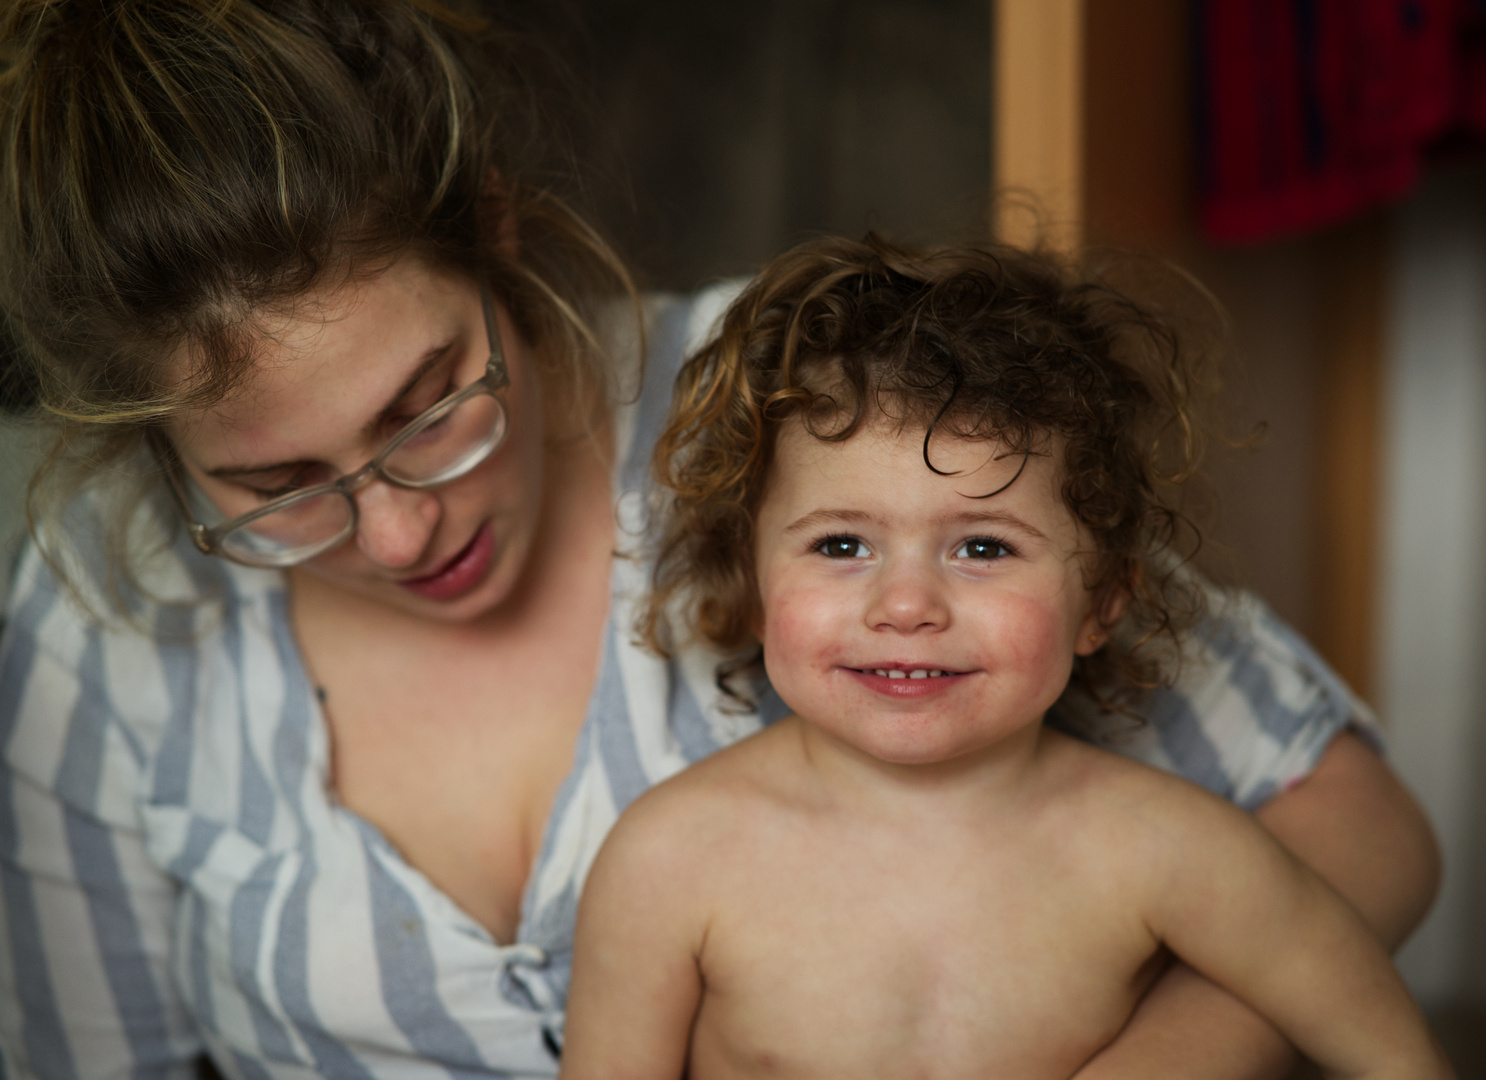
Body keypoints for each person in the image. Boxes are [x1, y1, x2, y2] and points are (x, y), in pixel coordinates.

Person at [0, 2, 1439, 1079]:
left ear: (495, 235)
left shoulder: (817, 411)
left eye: (433, 401)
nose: (394, 524)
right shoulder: (95, 607)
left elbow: (1352, 827)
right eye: (276, 482)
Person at [559, 236, 1453, 1080]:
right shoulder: (670, 862)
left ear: (1102, 602)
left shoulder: (1167, 848)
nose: (905, 605)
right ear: (751, 587)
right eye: (840, 546)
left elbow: (1389, 1048)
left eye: (982, 548)